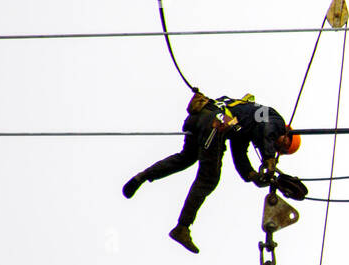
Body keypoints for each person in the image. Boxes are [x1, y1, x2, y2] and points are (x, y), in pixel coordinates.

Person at [122, 91, 301, 253]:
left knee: (186, 157)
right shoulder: (275, 120)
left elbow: (239, 153)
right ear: (287, 133)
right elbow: (269, 131)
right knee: (209, 178)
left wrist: (252, 176)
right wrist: (269, 159)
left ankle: (142, 176)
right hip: (217, 122)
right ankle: (182, 227)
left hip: (203, 117)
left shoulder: (247, 123)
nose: (278, 146)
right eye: (282, 145)